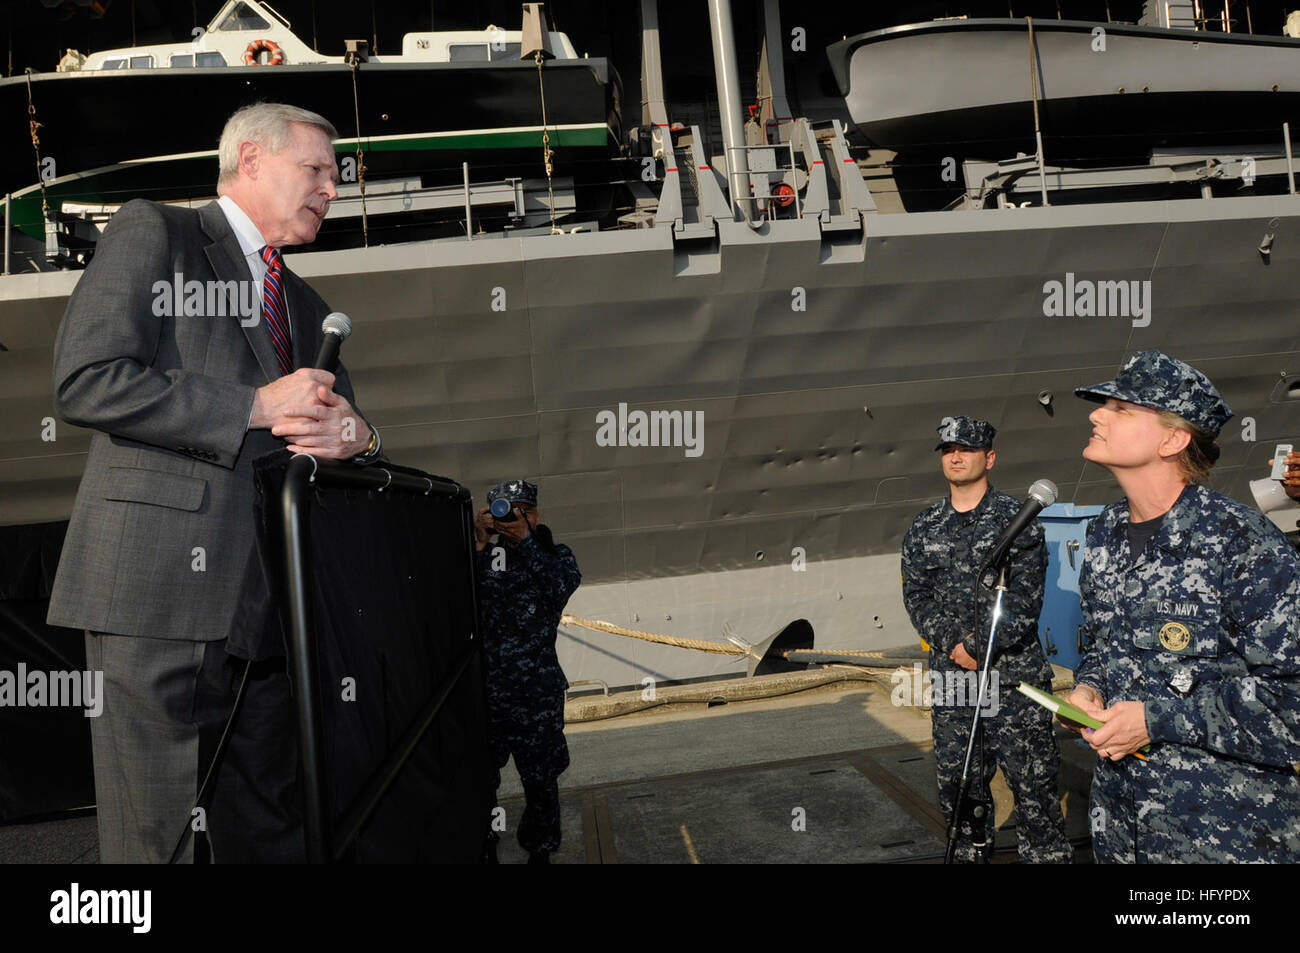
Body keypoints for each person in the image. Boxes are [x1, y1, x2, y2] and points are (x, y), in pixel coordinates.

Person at [47, 103, 381, 862]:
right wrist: (254, 405)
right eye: (318, 170)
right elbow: (85, 380)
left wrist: (361, 438)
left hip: (269, 612)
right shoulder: (154, 232)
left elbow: (341, 434)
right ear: (253, 160)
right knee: (153, 836)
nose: (335, 187)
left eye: (337, 175)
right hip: (154, 590)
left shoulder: (308, 305)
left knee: (265, 826)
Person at [1064, 350, 1300, 862]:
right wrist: (1088, 688)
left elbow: (1291, 704)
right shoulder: (1104, 533)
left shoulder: (1243, 542)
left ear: (1173, 439)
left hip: (1226, 834)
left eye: (1121, 409)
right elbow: (1107, 647)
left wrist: (1155, 721)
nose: (1096, 414)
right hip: (1122, 827)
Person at [901, 416, 1072, 863]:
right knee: (960, 796)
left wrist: (979, 648)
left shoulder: (1018, 523)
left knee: (1035, 796)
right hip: (955, 682)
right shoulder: (925, 526)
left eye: (967, 449)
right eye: (948, 450)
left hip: (1012, 678)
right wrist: (955, 644)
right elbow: (916, 594)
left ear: (989, 457)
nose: (955, 456)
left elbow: (1024, 600)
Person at [474, 479, 581, 864]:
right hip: (486, 693)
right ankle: (485, 839)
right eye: (508, 511)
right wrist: (480, 541)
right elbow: (454, 593)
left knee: (541, 780)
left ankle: (540, 850)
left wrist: (527, 541)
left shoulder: (556, 555)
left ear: (537, 515)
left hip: (536, 693)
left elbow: (560, 586)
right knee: (481, 780)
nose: (517, 518)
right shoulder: (487, 557)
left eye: (525, 511)